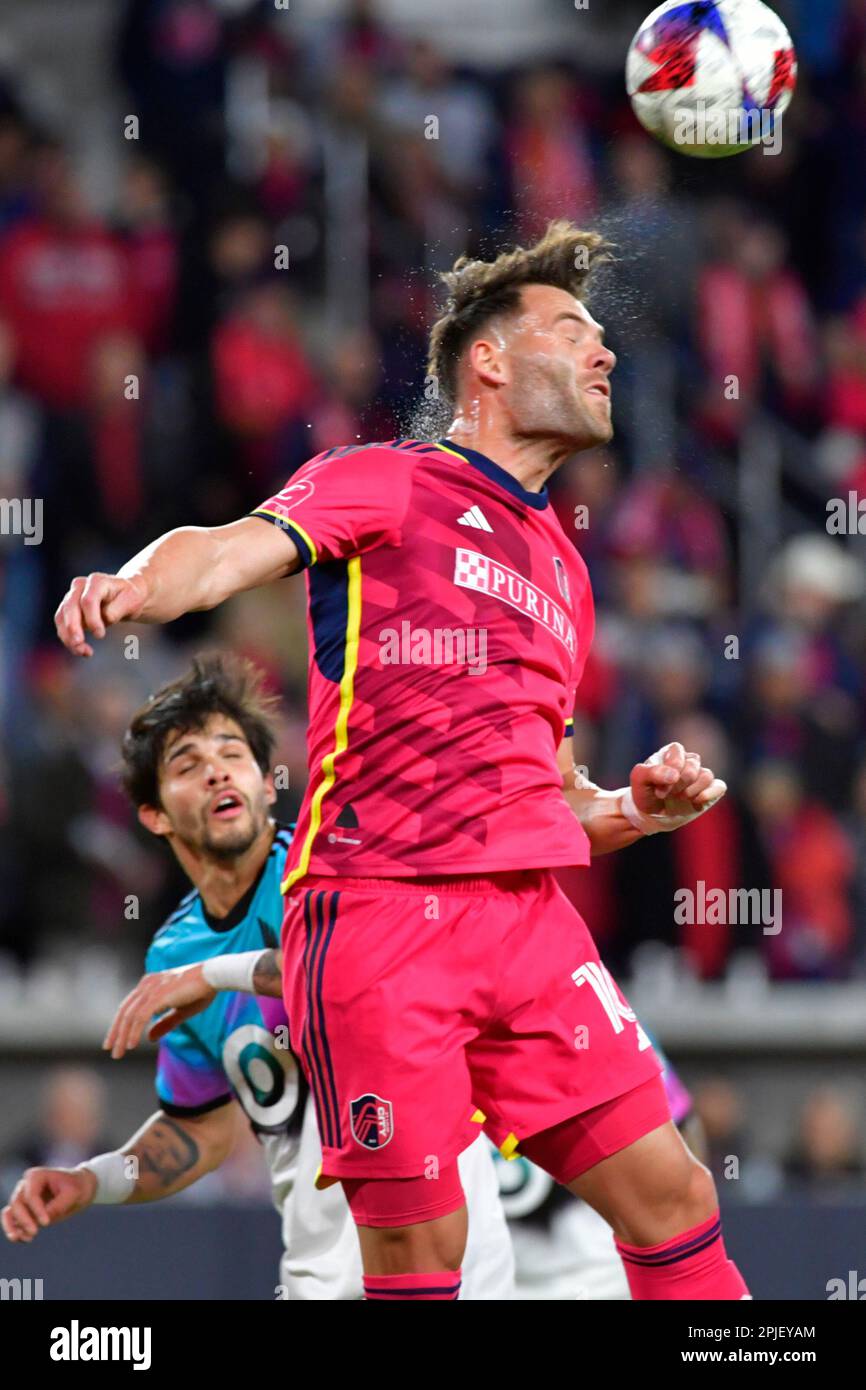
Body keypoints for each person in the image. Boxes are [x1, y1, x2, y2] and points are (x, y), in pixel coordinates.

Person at [52, 219, 748, 1301]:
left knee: (677, 1199)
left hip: (524, 919)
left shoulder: (565, 571)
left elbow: (550, 794)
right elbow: (230, 549)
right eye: (573, 331)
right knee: (421, 1267)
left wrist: (631, 806)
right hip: (379, 919)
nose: (604, 352)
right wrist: (138, 582)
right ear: (489, 361)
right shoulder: (387, 481)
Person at [1, 655, 514, 1300]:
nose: (216, 769)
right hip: (315, 1271)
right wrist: (90, 1180)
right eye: (187, 765)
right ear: (154, 816)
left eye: (233, 754)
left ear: (267, 784)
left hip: (447, 1252)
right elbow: (201, 1127)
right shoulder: (173, 953)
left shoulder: (334, 861)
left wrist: (214, 976)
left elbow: (341, 974)